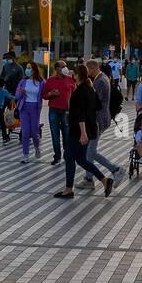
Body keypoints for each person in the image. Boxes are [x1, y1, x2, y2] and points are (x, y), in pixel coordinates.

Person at [54, 64, 113, 199]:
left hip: (78, 131)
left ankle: (69, 189)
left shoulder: (79, 92)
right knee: (80, 159)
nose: (72, 75)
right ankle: (105, 180)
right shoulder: (89, 89)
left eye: (74, 74)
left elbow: (80, 114)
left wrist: (83, 133)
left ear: (77, 75)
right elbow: (98, 106)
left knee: (69, 157)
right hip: (88, 129)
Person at [83, 60, 122, 182]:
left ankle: (115, 169)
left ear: (92, 68)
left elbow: (93, 102)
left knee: (91, 151)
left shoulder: (99, 81)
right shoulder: (103, 77)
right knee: (90, 151)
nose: (87, 73)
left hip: (98, 120)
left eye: (87, 70)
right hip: (101, 118)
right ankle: (88, 178)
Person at [42, 61, 75, 166]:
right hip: (54, 110)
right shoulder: (50, 81)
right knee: (54, 134)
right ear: (56, 69)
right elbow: (44, 96)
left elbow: (75, 94)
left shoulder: (70, 79)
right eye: (62, 66)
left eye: (66, 66)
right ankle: (57, 156)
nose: (65, 68)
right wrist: (51, 94)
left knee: (66, 134)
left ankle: (67, 155)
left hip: (66, 111)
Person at [14, 62, 46, 160]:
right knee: (25, 132)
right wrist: (21, 92)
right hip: (24, 107)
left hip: (35, 107)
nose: (27, 70)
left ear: (34, 70)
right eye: (26, 68)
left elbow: (44, 95)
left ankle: (37, 147)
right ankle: (25, 154)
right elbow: (16, 96)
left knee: (34, 132)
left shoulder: (41, 82)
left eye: (29, 68)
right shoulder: (23, 81)